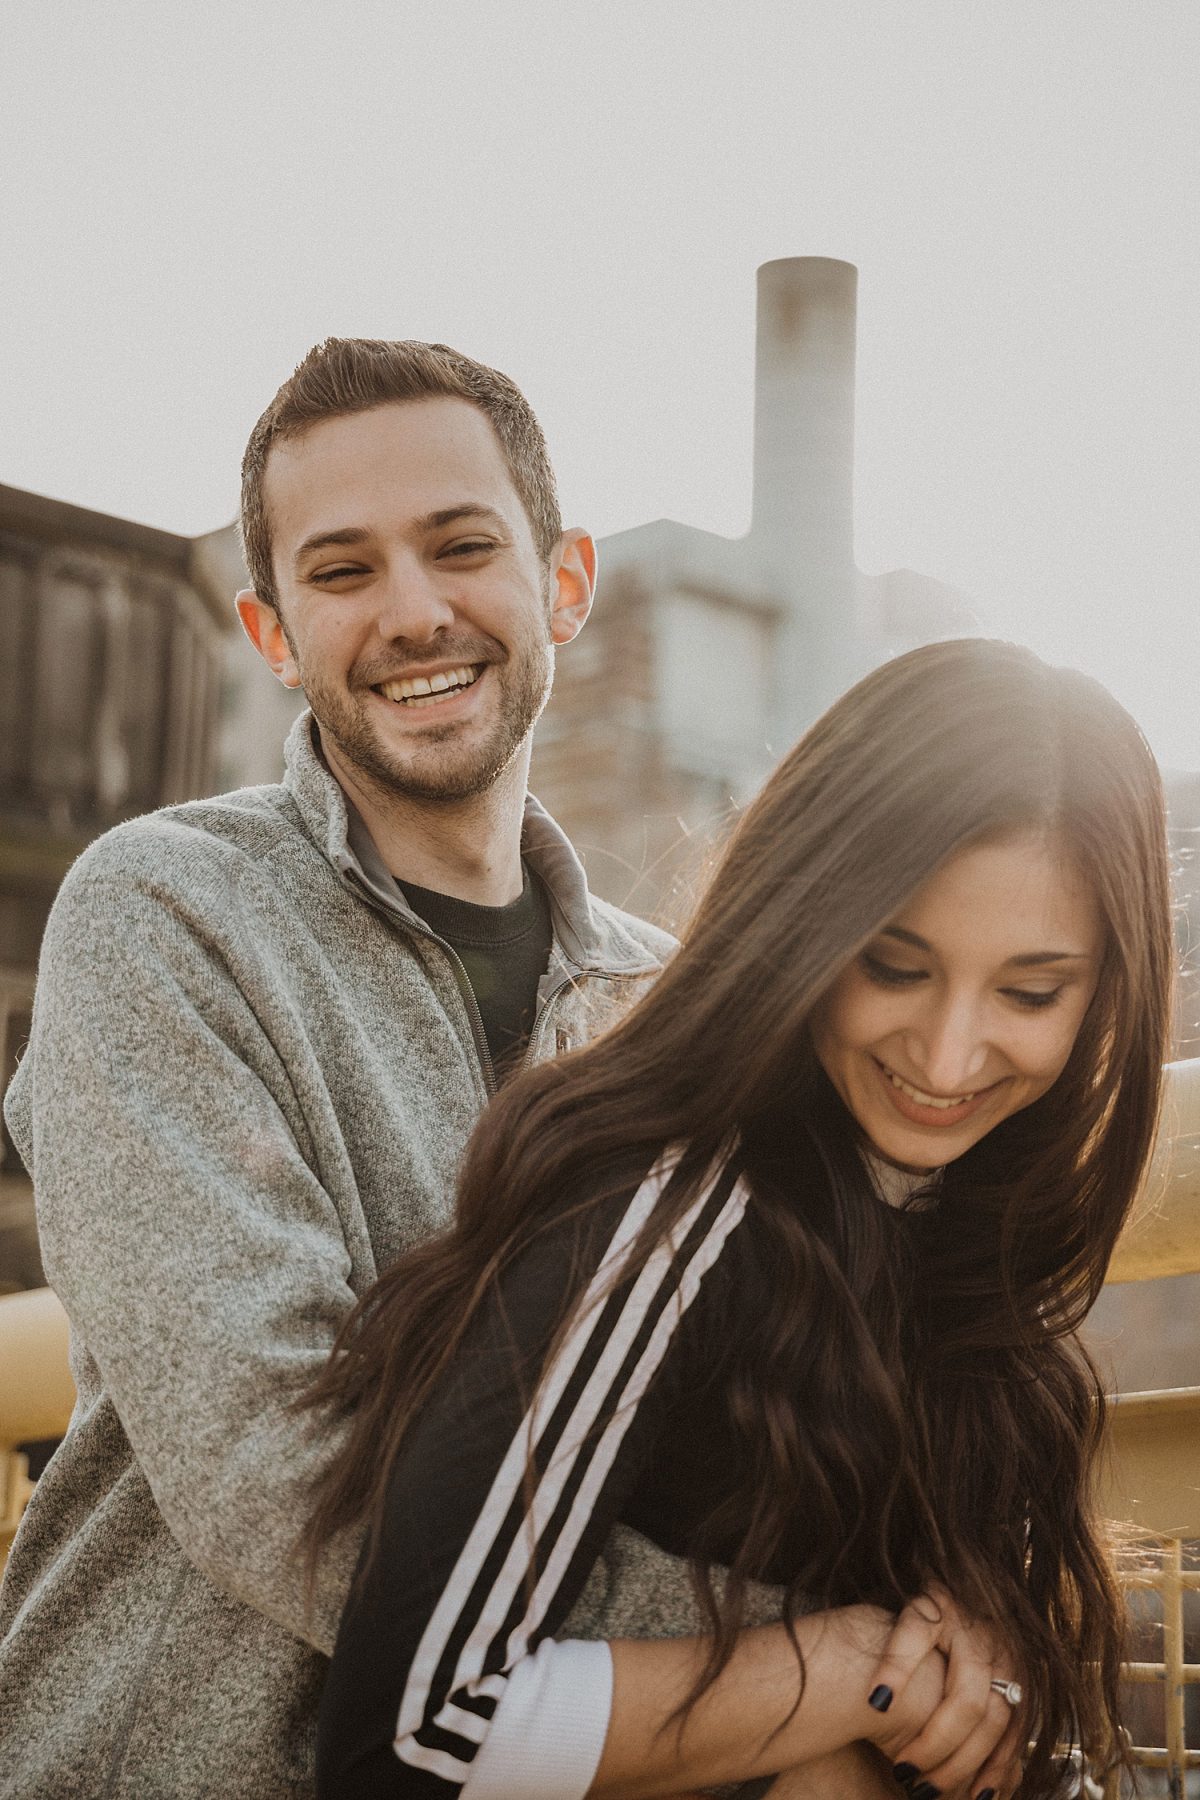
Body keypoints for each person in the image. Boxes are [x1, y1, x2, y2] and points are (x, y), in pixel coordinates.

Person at [0, 339, 694, 1798]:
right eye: (343, 571)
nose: (414, 612)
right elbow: (283, 1479)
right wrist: (773, 1647)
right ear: (271, 630)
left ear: (562, 581)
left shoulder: (671, 1001)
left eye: (461, 547)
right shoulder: (165, 911)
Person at [308, 637, 1175, 1800]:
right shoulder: (670, 1215)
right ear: (807, 927)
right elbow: (411, 1738)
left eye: (1030, 991)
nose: (949, 1053)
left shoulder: (968, 1256)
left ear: (1107, 990)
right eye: (895, 964)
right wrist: (861, 1670)